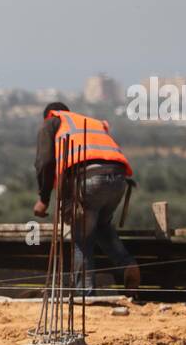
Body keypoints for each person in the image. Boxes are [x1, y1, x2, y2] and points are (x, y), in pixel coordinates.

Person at [33, 102, 140, 294]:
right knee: (101, 226)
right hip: (118, 179)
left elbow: (45, 161)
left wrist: (43, 199)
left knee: (82, 239)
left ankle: (86, 294)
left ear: (49, 114)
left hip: (89, 181)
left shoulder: (51, 122)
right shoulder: (89, 122)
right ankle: (126, 264)